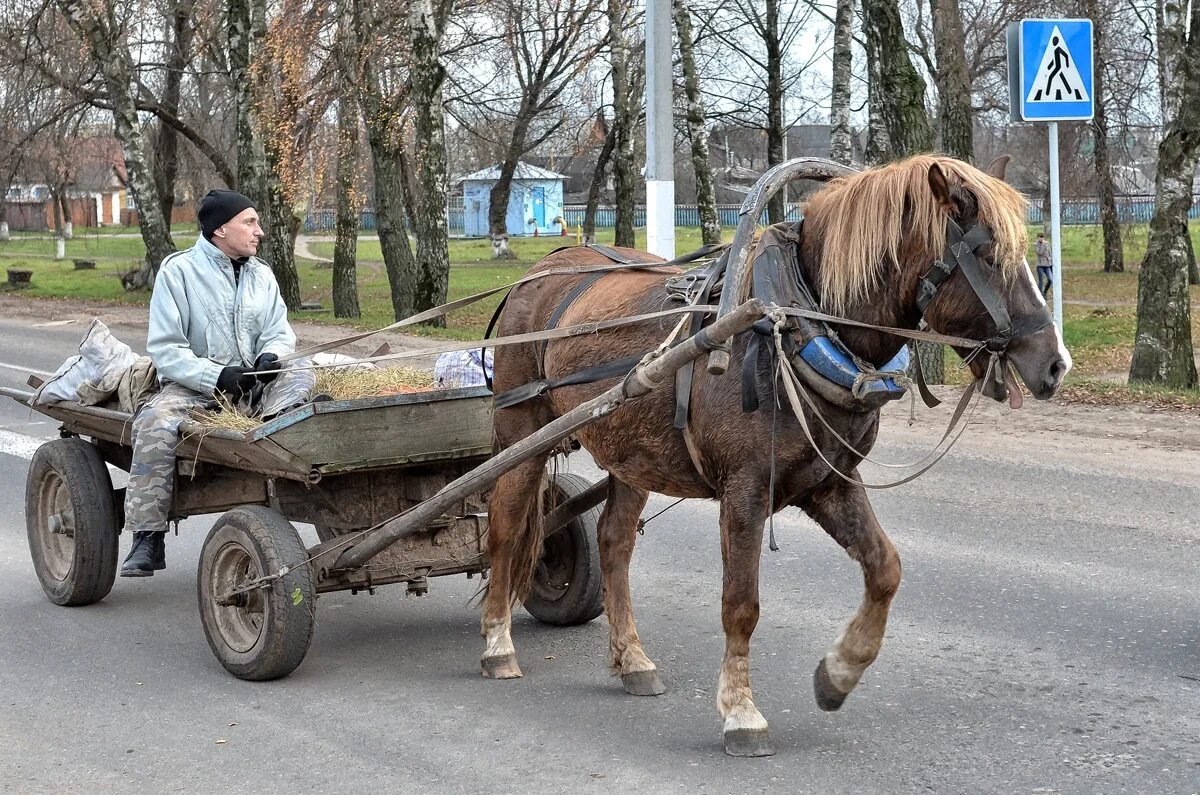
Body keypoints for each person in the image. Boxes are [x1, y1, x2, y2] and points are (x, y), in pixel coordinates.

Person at [120, 189, 314, 577]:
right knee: (154, 422)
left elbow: (279, 330)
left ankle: (286, 429)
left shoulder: (262, 273)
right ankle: (147, 536)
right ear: (221, 229)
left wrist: (270, 359)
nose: (259, 231)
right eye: (250, 222)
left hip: (256, 387)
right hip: (196, 388)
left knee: (305, 370)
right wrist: (216, 375)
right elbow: (166, 349)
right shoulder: (179, 273)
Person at [1035, 232, 1053, 297]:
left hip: (1047, 265)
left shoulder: (1047, 244)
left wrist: (1050, 260)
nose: (1041, 239)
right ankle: (1040, 295)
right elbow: (1039, 252)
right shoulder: (1036, 245)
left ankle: (1045, 292)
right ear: (1038, 238)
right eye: (1040, 237)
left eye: (1042, 237)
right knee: (1041, 280)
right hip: (1040, 265)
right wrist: (1042, 245)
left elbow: (1050, 253)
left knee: (1050, 279)